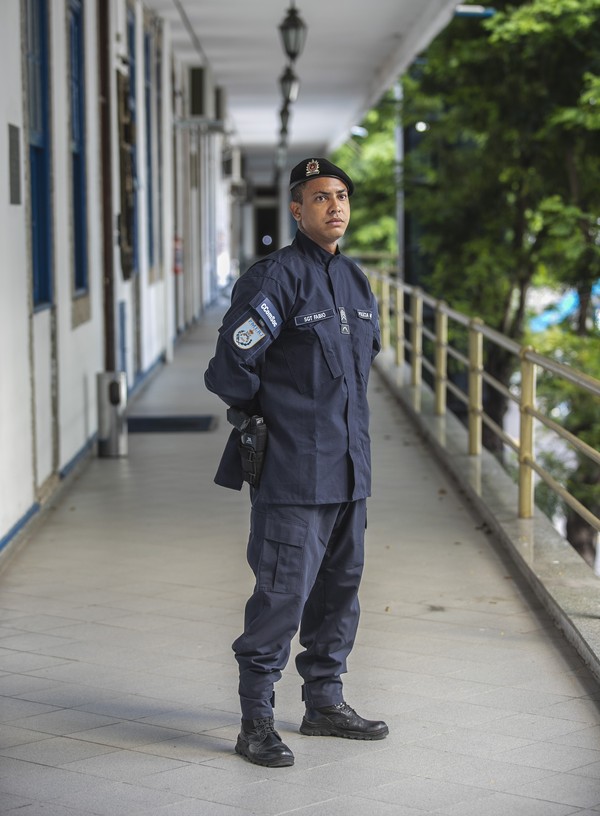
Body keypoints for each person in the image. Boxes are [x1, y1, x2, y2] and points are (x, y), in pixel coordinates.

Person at [204, 157, 388, 768]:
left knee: (340, 593)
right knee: (282, 595)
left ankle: (324, 702)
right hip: (293, 472)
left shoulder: (357, 281)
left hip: (350, 470)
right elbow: (229, 369)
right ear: (296, 209)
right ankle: (255, 719)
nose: (334, 206)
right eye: (319, 197)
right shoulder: (275, 279)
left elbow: (361, 370)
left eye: (341, 196)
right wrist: (275, 420)